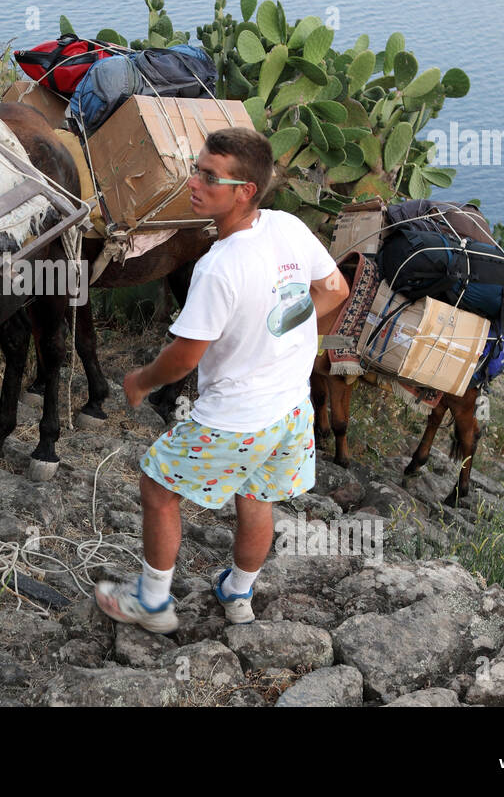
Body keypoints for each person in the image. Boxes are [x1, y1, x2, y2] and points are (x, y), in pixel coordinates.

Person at [94, 127, 350, 633]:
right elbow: (334, 288)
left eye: (210, 176)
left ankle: (152, 603)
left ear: (244, 191)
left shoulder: (219, 267)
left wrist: (141, 381)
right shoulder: (287, 227)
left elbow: (185, 358)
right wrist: (280, 329)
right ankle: (237, 593)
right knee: (257, 499)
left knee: (157, 487)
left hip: (235, 418)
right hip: (290, 411)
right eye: (196, 167)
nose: (193, 181)